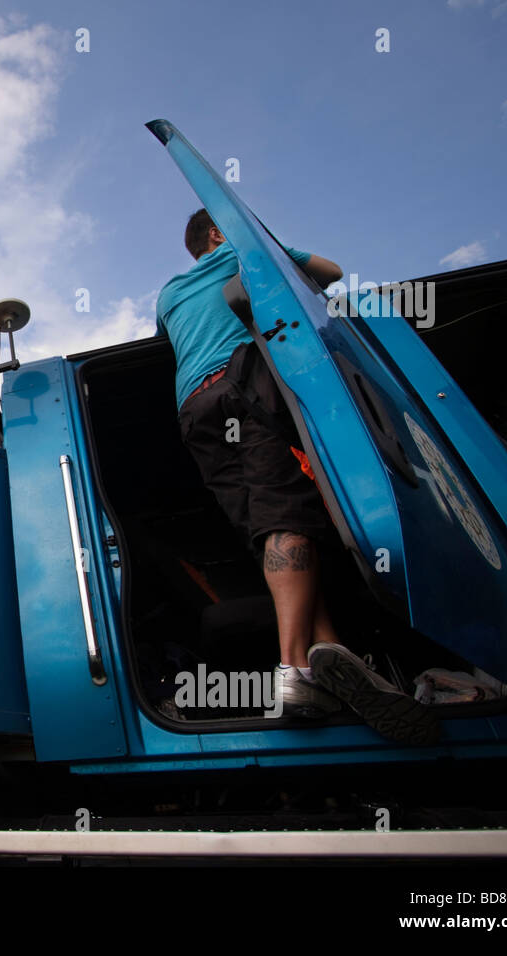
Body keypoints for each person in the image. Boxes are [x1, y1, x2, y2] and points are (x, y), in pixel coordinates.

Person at [157, 209, 438, 745]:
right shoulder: (246, 253)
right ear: (218, 233)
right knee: (286, 513)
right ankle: (295, 671)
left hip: (194, 409)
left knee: (269, 532)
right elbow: (330, 271)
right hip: (244, 385)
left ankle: (329, 653)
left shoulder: (168, 294)